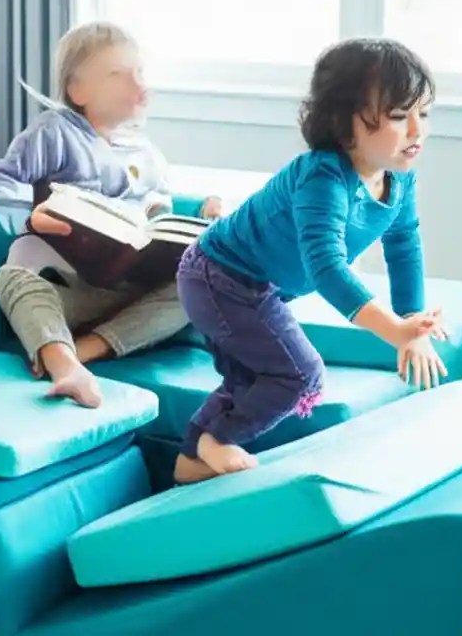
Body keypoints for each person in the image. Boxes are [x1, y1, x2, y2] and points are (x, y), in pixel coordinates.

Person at [172, 37, 447, 484]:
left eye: (425, 113)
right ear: (344, 124)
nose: (417, 129)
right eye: (399, 116)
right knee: (300, 374)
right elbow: (327, 268)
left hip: (256, 285)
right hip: (218, 277)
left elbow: (403, 244)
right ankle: (215, 439)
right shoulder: (323, 177)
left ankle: (190, 463)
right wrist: (393, 332)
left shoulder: (399, 179)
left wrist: (412, 320)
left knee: (256, 377)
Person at [0, 21, 222, 409]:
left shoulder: (146, 153)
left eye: (140, 72)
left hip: (125, 293)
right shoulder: (55, 132)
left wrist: (203, 216)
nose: (137, 83)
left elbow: (159, 213)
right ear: (77, 90)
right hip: (65, 285)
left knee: (199, 284)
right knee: (11, 279)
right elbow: (3, 177)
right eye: (117, 74)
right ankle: (63, 363)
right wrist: (30, 216)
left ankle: (86, 349)